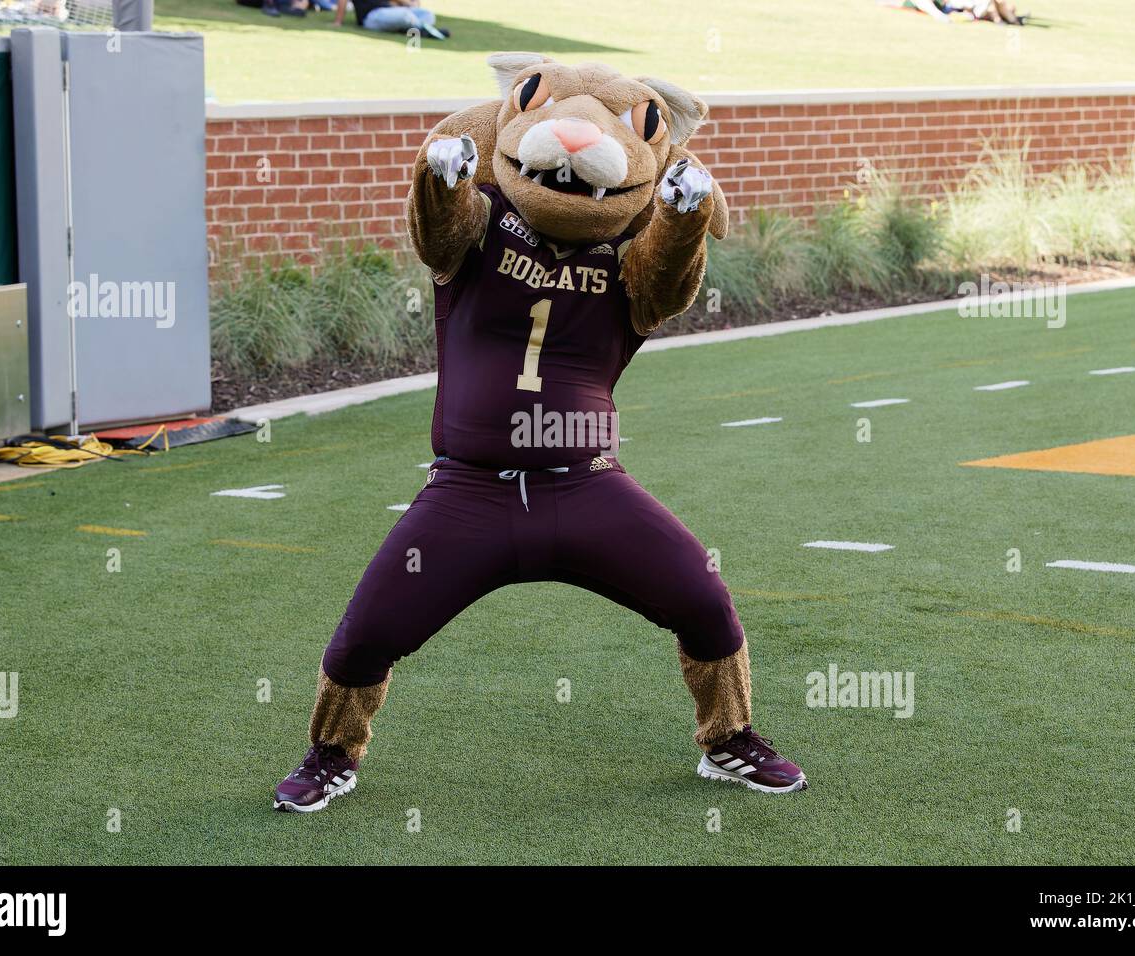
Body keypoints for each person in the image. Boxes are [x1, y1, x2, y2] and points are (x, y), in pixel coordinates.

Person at [272, 53, 807, 815]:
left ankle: (728, 739)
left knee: (703, 600)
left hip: (585, 485)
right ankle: (332, 753)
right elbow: (438, 230)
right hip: (468, 491)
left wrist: (685, 222)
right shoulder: (483, 224)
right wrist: (440, 177)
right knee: (367, 634)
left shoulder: (630, 260)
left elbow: (668, 281)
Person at [335, 0, 449, 40]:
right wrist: (338, 21)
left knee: (428, 14)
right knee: (405, 15)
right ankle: (426, 31)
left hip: (391, 10)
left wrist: (408, 3)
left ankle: (412, 29)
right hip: (371, 16)